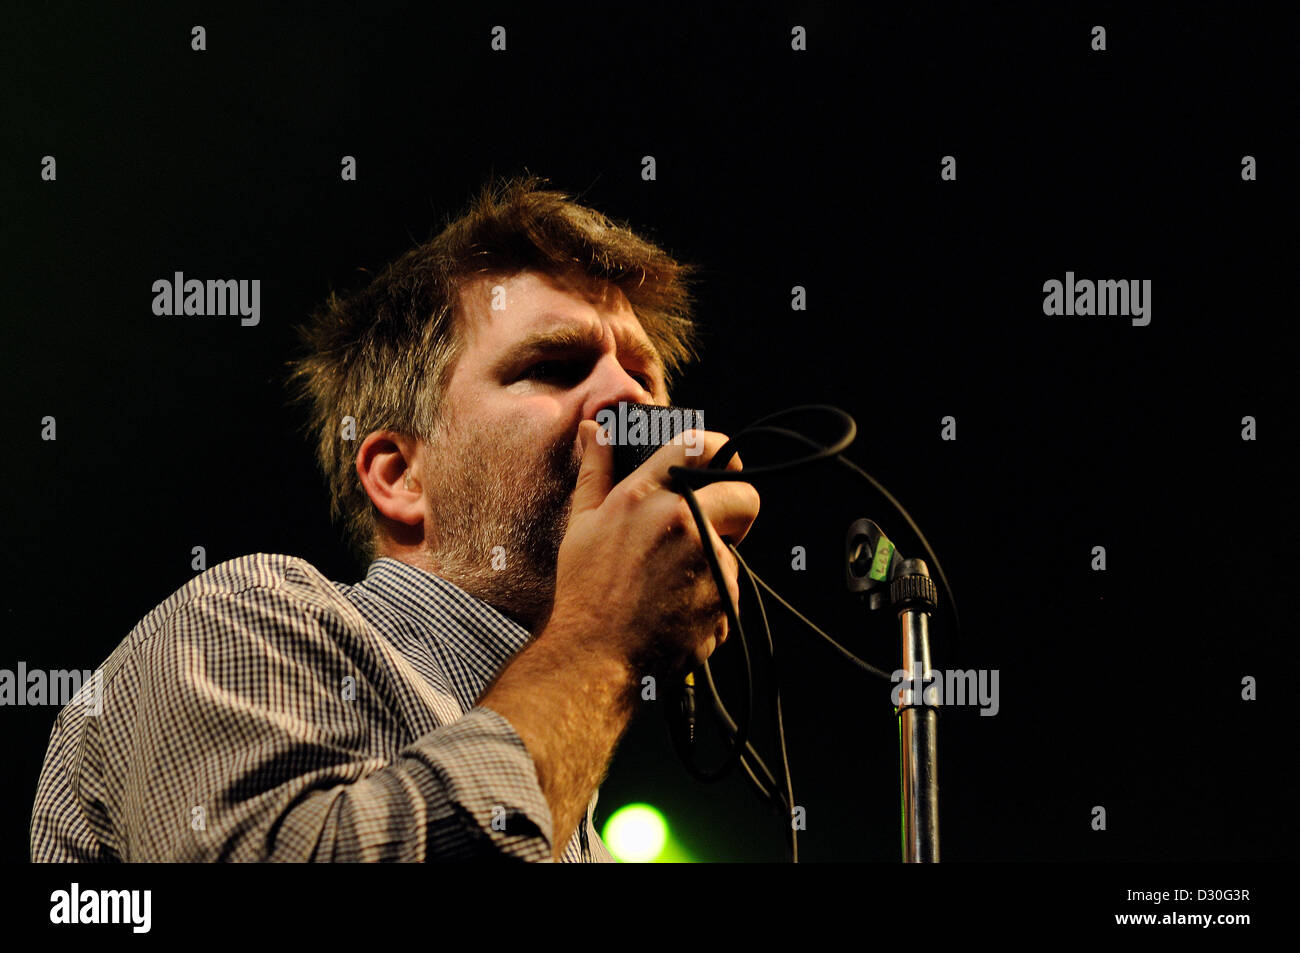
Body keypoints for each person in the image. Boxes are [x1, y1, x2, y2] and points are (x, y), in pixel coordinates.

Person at [30, 175, 760, 862]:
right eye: (556, 366)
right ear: (399, 474)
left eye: (643, 375)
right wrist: (599, 644)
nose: (630, 401)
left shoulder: (588, 829)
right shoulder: (248, 618)